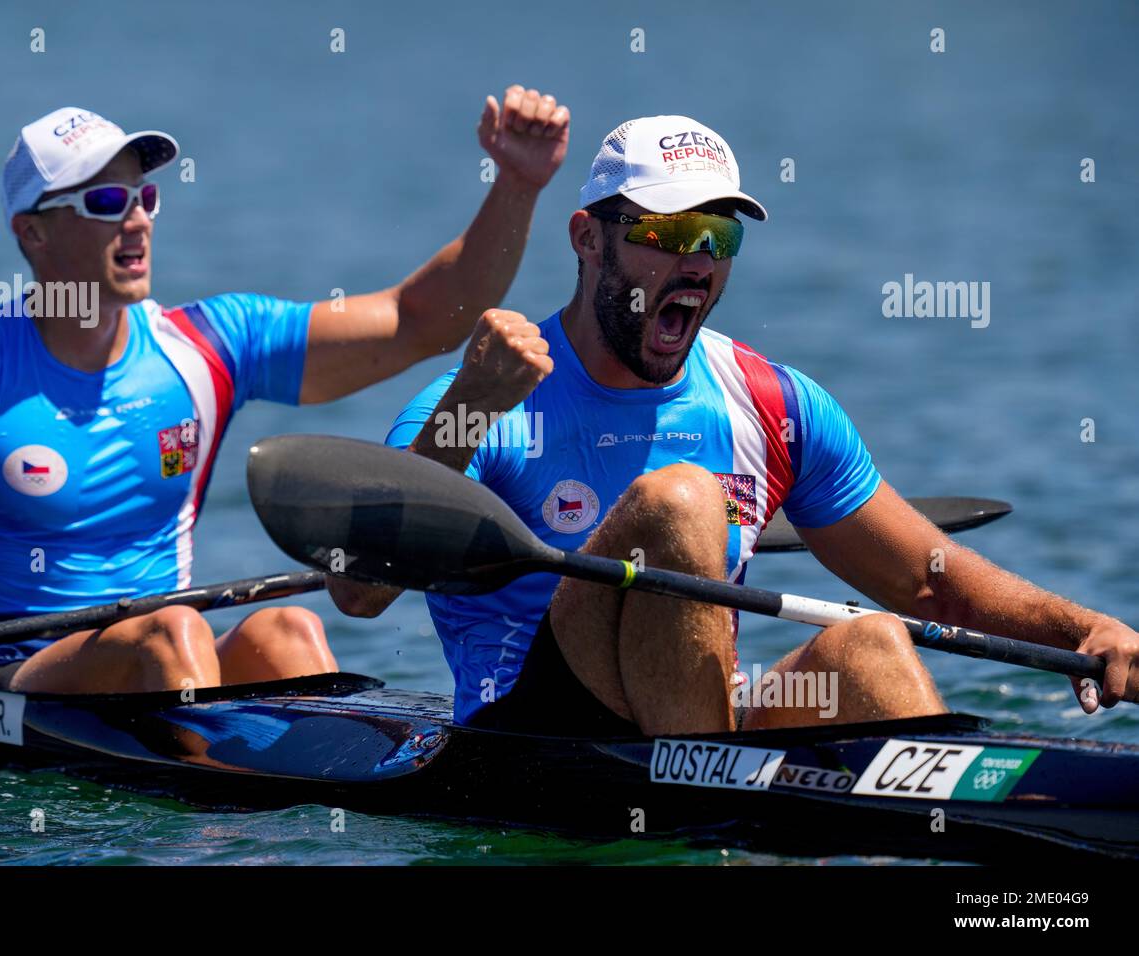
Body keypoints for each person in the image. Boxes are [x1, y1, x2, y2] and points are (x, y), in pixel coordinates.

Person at [328, 114, 1139, 736]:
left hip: (701, 717)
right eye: (666, 234)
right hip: (533, 734)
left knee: (872, 643)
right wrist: (471, 402)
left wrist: (1087, 628)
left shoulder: (774, 404)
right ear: (587, 239)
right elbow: (360, 592)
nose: (697, 263)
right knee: (681, 502)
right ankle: (711, 825)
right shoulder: (488, 397)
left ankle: (959, 827)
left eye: (718, 238)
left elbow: (928, 580)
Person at [0, 88, 571, 695]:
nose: (135, 219)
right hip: (5, 674)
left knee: (290, 629)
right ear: (32, 234)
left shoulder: (206, 349)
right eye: (104, 200)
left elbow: (419, 320)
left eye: (145, 196)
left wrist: (516, 185)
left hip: (157, 659)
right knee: (176, 630)